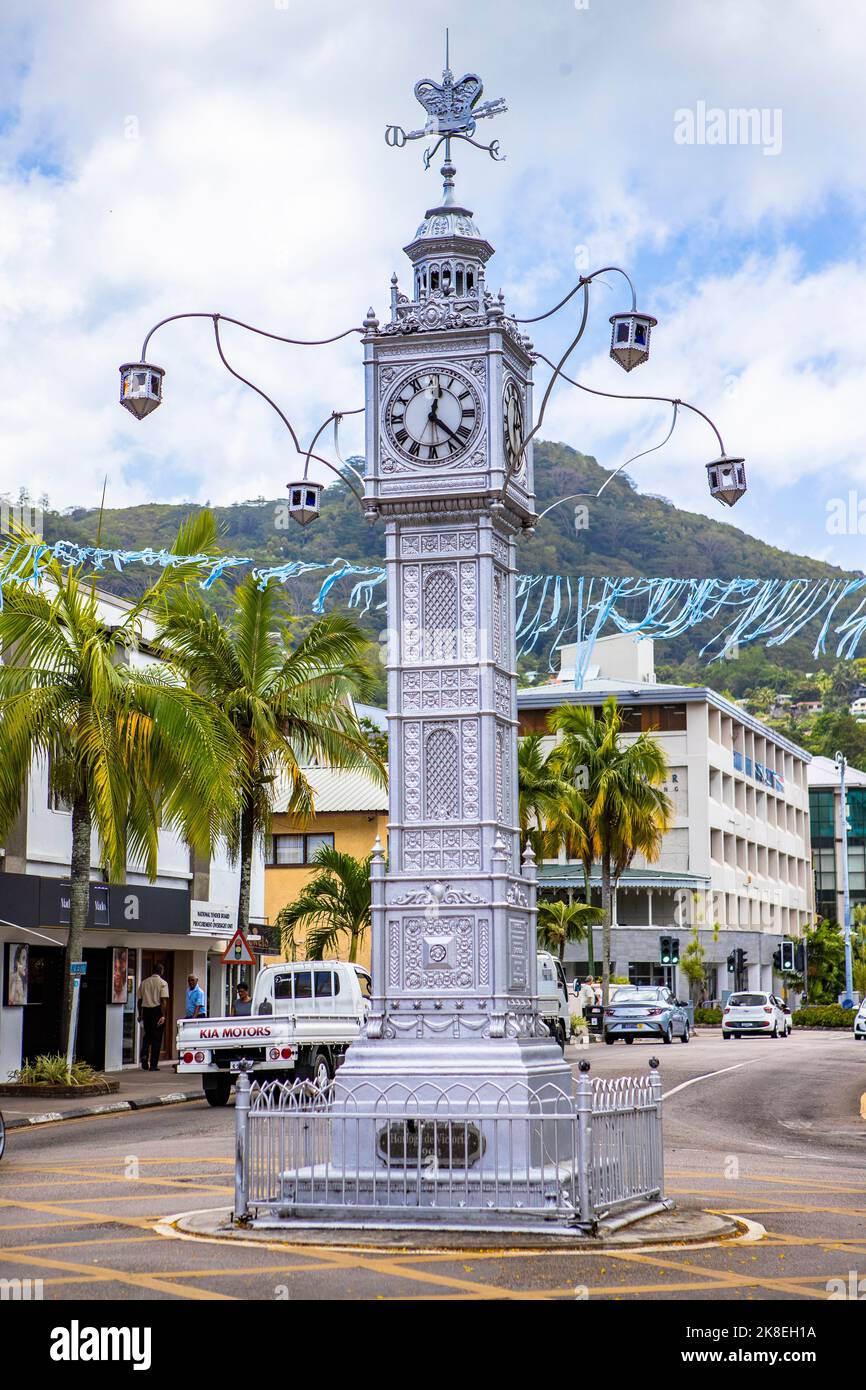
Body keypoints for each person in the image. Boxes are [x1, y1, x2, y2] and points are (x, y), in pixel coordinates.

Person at [137, 963, 168, 1071]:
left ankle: (144, 1055)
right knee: (157, 1038)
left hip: (146, 1011)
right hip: (157, 1010)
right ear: (161, 971)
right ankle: (153, 1065)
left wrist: (140, 1014)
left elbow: (139, 1000)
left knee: (147, 1035)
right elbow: (163, 1000)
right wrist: (163, 1015)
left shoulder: (144, 982)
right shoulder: (163, 983)